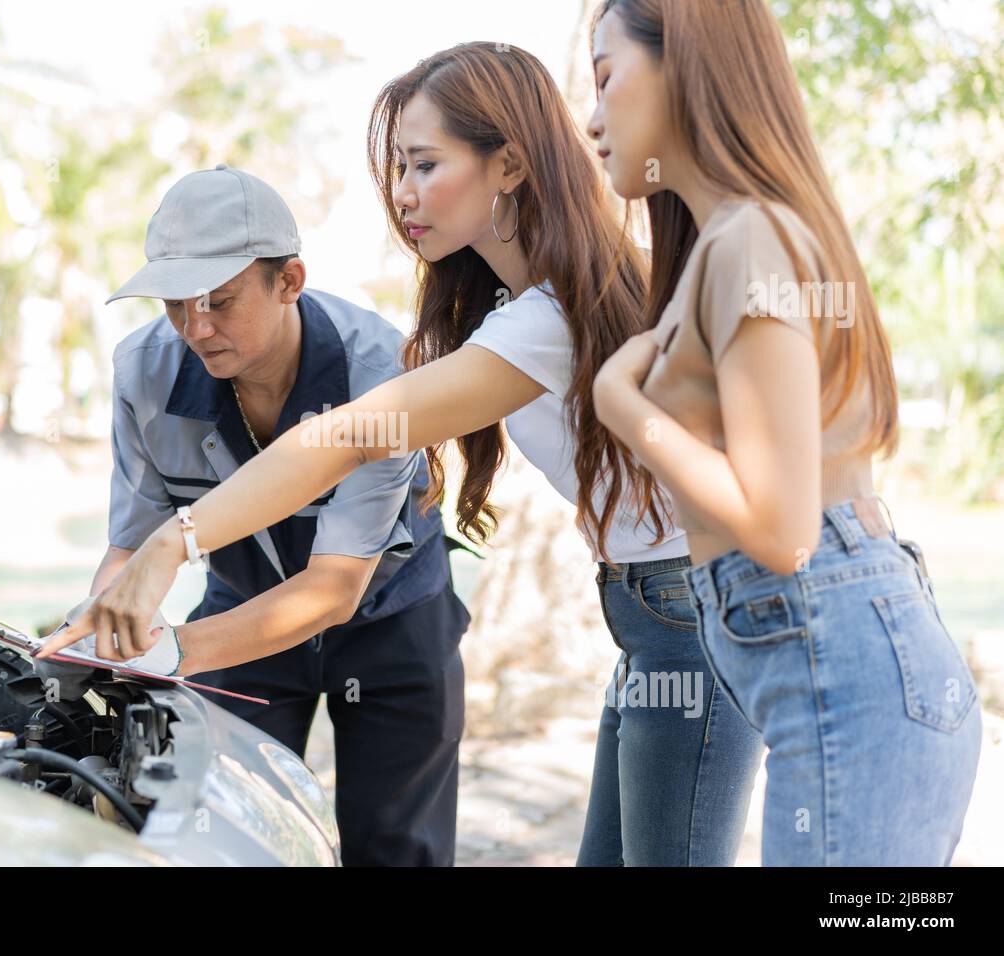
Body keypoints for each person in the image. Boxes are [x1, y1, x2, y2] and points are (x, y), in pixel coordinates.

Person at [40, 44, 764, 866]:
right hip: (653, 615)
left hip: (694, 612)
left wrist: (178, 542)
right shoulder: (519, 312)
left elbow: (343, 440)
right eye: (399, 168)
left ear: (510, 164)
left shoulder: (544, 320)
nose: (404, 194)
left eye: (424, 164)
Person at [585, 0, 981, 865]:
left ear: (683, 62)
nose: (590, 119)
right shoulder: (733, 241)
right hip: (868, 676)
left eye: (605, 76)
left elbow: (780, 530)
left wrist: (624, 406)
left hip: (858, 686)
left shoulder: (751, 237)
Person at [70, 164, 472, 866]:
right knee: (222, 838)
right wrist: (101, 628)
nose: (194, 328)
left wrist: (171, 652)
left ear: (288, 282)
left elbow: (332, 590)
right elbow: (132, 545)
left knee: (397, 848)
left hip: (391, 623)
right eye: (173, 305)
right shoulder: (142, 372)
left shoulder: (380, 368)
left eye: (219, 302)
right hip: (242, 617)